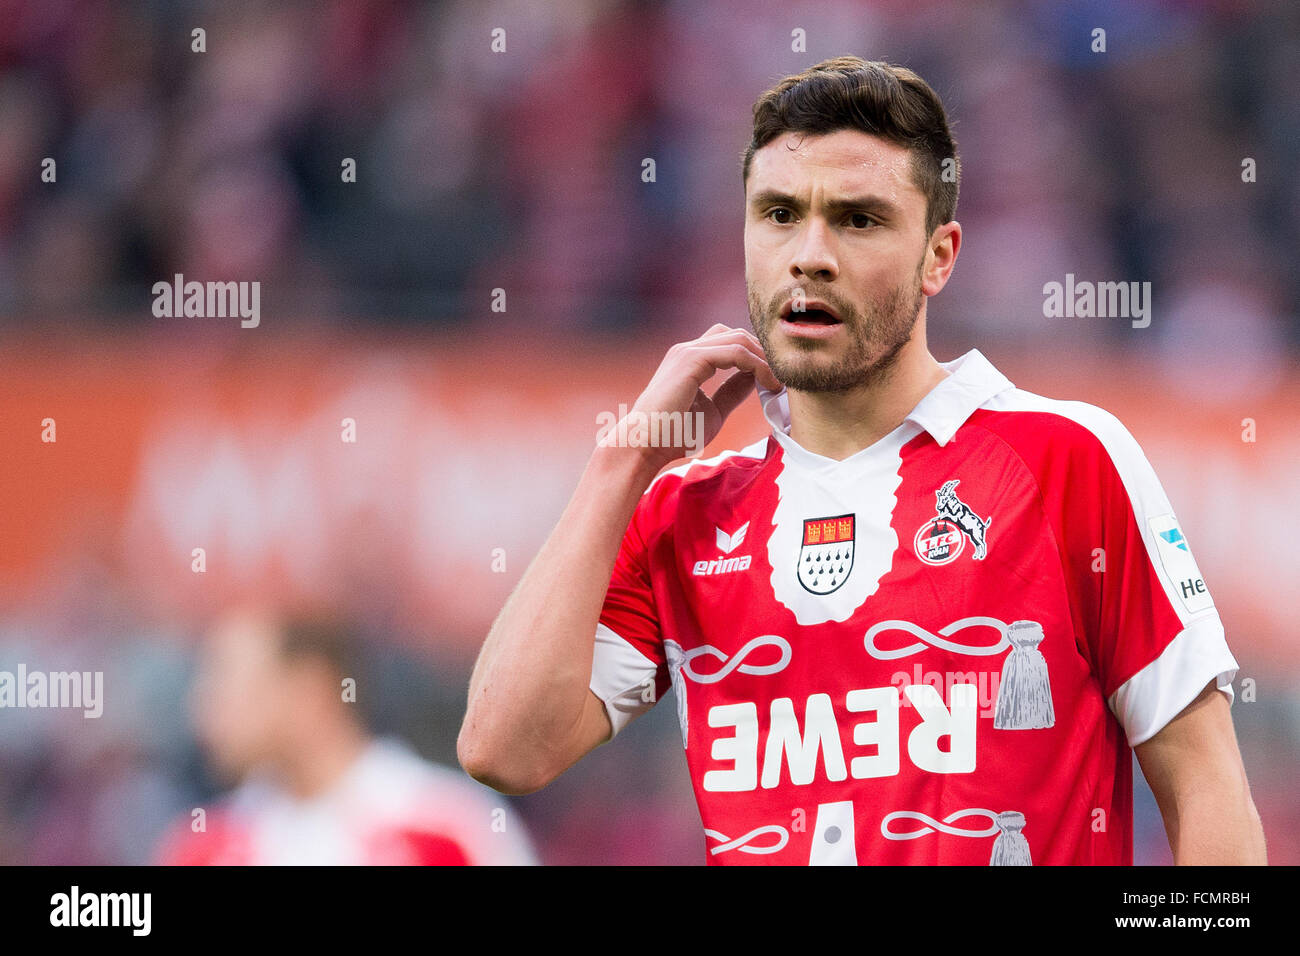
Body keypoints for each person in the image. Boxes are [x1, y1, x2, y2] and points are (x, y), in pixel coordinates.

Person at [458, 57, 1266, 865]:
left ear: (938, 257)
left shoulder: (1064, 460)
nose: (809, 254)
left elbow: (1205, 783)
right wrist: (622, 462)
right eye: (778, 214)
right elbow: (505, 750)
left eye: (859, 220)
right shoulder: (683, 509)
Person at [158, 606, 537, 865]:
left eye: (226, 680)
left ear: (310, 689)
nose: (202, 707)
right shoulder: (205, 845)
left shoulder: (444, 825)